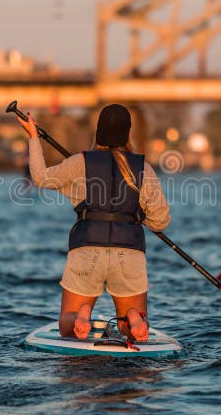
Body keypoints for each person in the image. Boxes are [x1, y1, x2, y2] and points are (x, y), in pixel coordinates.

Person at [17, 104, 170, 342]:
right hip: (129, 252)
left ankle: (81, 315)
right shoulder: (144, 169)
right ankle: (133, 318)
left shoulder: (80, 162)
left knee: (67, 323)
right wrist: (139, 216)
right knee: (128, 327)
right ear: (127, 134)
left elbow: (40, 177)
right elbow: (161, 222)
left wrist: (34, 137)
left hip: (86, 249)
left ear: (98, 132)